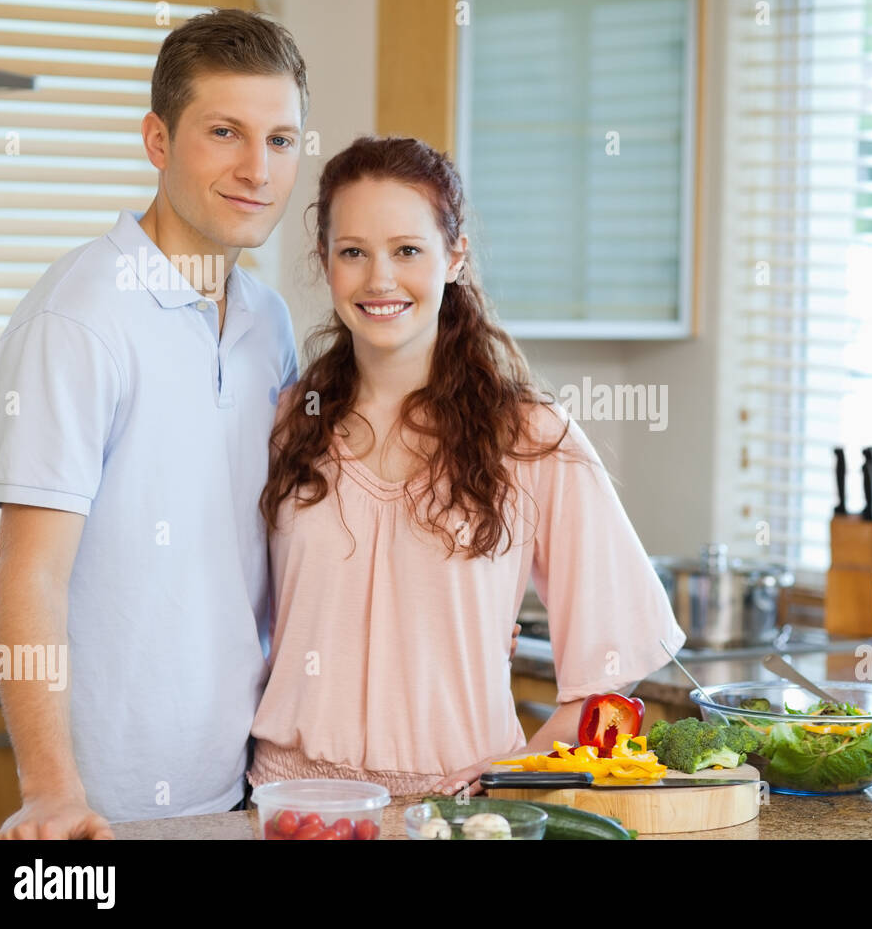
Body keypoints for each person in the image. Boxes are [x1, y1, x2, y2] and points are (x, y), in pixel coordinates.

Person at [248, 135, 686, 797]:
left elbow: (608, 669)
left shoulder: (532, 437)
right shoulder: (287, 422)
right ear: (325, 262)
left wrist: (505, 781)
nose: (380, 280)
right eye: (353, 253)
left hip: (456, 815)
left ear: (455, 256)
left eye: (407, 251)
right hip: (292, 804)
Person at [0, 9, 307, 837]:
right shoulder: (80, 318)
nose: (257, 169)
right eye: (225, 132)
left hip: (243, 786)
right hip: (106, 808)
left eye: (281, 140)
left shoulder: (268, 324)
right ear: (158, 141)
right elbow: (31, 576)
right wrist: (53, 790)